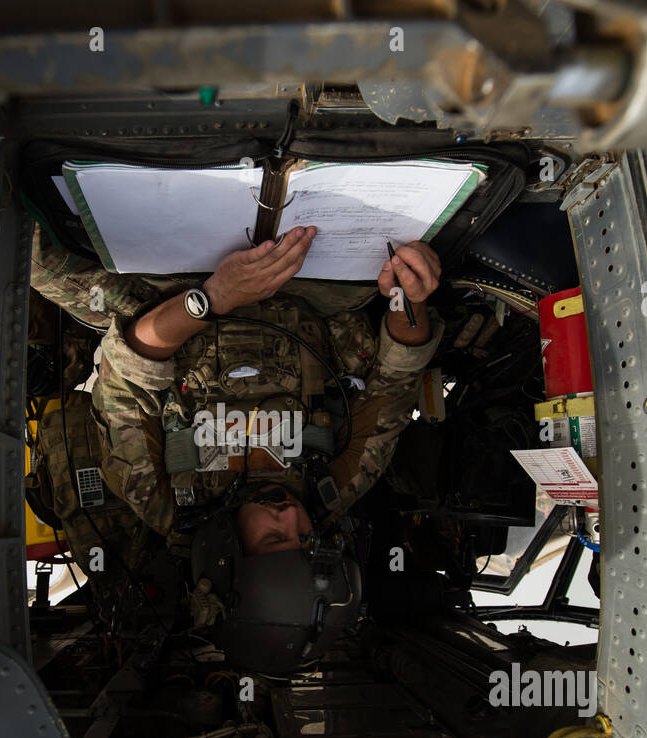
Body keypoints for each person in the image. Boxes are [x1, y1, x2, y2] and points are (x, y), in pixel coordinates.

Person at [31, 222, 444, 671]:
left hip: (169, 294)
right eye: (305, 535)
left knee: (29, 254)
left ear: (223, 549)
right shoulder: (333, 486)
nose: (290, 515)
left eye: (273, 538)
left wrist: (212, 299)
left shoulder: (162, 498)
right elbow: (394, 381)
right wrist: (409, 302)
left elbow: (128, 370)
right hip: (307, 288)